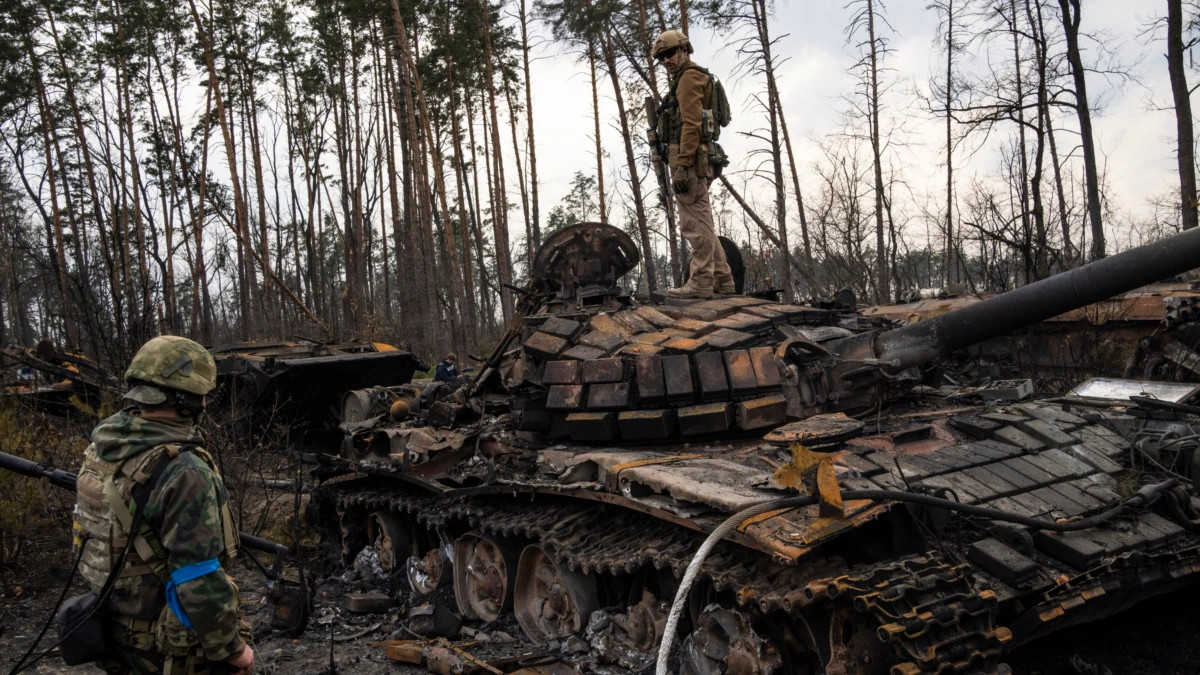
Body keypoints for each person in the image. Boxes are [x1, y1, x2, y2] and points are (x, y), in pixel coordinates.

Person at [73, 336, 254, 674]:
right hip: (167, 648)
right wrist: (233, 650)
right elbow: (197, 576)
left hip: (114, 631)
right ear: (188, 399)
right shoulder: (185, 471)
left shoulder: (105, 448)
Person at [653, 29, 736, 300]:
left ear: (685, 50)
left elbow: (691, 124)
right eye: (661, 57)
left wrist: (681, 165)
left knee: (694, 224)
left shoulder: (688, 78)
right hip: (697, 156)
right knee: (703, 221)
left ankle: (700, 282)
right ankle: (722, 280)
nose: (666, 60)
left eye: (670, 53)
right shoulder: (694, 76)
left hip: (688, 158)